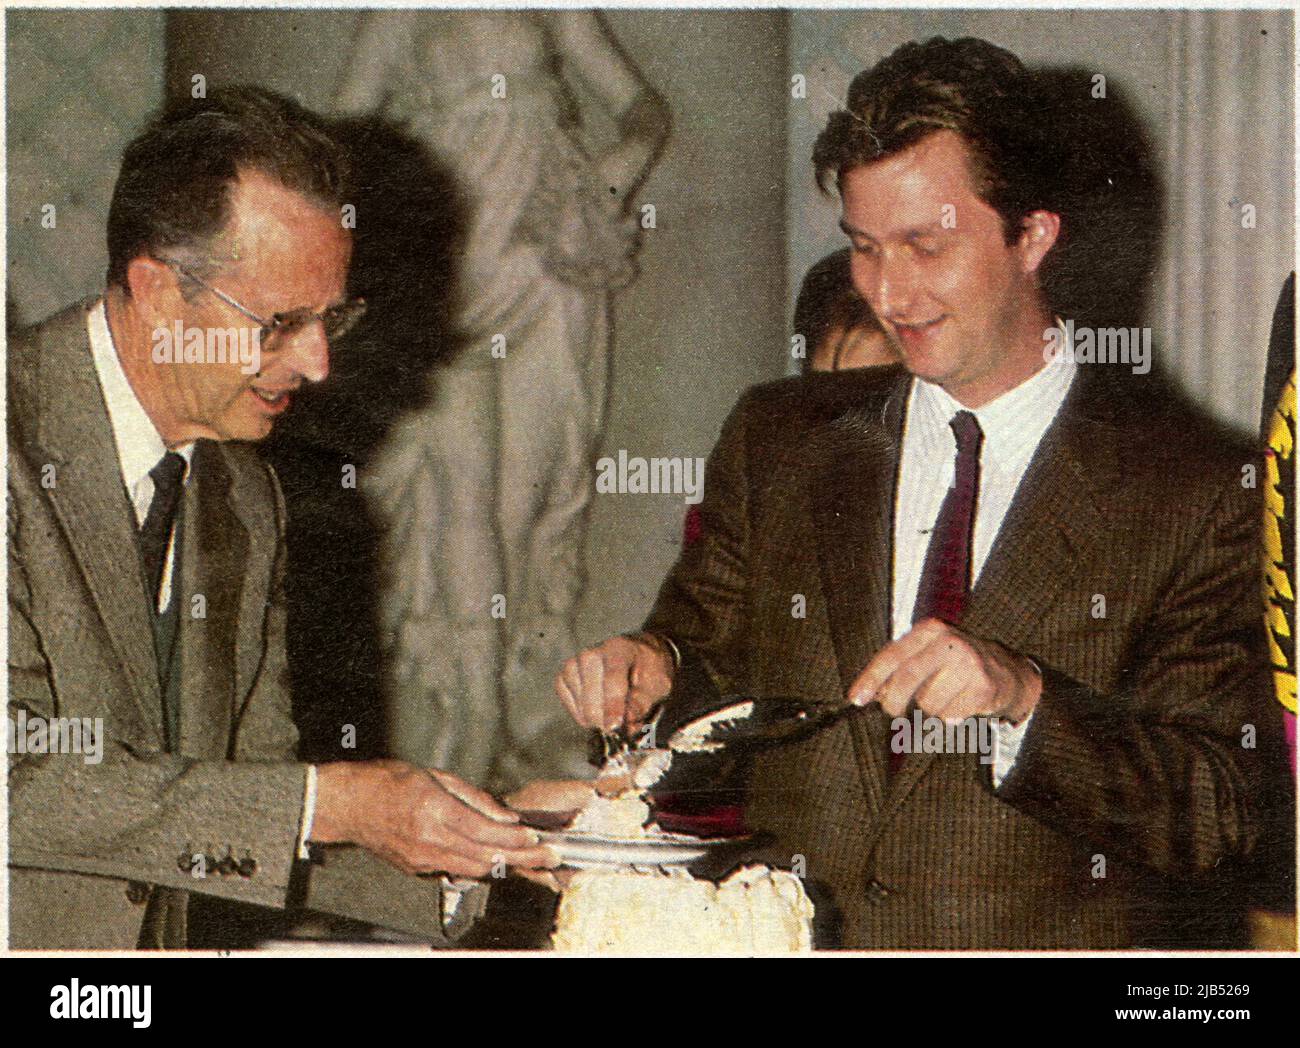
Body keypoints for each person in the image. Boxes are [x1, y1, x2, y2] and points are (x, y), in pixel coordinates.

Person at [553, 37, 1281, 949]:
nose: (887, 292)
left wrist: (1025, 703)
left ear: (1034, 236)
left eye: (925, 247)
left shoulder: (1200, 490)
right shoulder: (778, 438)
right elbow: (701, 669)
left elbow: (1225, 813)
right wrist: (647, 672)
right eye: (862, 249)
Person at [7, 86, 555, 950]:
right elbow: (15, 781)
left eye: (332, 318)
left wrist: (494, 847)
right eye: (282, 323)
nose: (320, 362)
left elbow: (251, 809)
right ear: (155, 291)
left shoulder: (244, 496)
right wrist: (333, 800)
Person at [336, 10, 670, 790]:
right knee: (463, 493)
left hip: (540, 251)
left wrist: (620, 162)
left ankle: (500, 717)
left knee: (522, 507)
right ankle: (477, 721)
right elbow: (340, 132)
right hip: (442, 259)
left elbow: (643, 105)